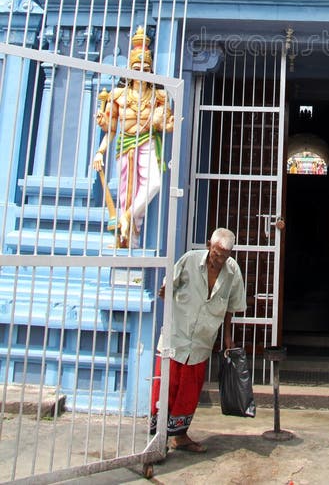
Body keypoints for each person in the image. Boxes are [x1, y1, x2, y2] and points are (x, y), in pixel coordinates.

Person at [150, 228, 246, 451]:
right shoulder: (190, 261)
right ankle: (156, 439)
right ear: (208, 246)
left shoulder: (233, 272)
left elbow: (232, 306)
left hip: (202, 339)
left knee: (189, 390)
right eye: (216, 253)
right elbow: (168, 286)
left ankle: (180, 436)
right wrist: (165, 291)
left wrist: (228, 337)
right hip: (176, 337)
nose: (219, 259)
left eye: (225, 255)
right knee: (165, 387)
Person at [93, 28, 174, 249]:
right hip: (125, 142)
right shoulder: (119, 95)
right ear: (130, 69)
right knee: (126, 191)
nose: (140, 72)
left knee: (154, 183)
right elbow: (110, 127)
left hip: (148, 142)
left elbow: (167, 124)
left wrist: (169, 123)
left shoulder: (159, 95)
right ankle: (129, 240)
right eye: (136, 68)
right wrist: (100, 151)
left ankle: (127, 216)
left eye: (145, 68)